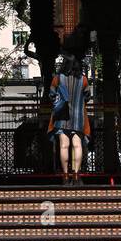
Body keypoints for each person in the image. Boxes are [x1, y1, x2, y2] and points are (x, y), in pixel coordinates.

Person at [47, 31, 91, 187]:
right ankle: (76, 175)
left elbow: (51, 95)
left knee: (64, 146)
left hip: (61, 118)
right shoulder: (84, 80)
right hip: (78, 118)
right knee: (77, 145)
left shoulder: (58, 79)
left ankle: (65, 176)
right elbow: (87, 96)